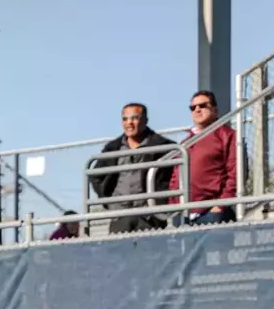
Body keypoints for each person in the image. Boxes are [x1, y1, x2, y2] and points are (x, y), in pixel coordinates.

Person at [91, 103, 175, 233]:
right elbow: (95, 175)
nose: (129, 123)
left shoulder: (164, 147)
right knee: (117, 253)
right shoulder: (113, 148)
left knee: (151, 253)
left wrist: (159, 204)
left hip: (149, 217)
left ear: (145, 120)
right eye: (125, 119)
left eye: (135, 118)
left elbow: (173, 179)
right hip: (119, 218)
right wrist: (109, 203)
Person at [170, 90, 239, 225]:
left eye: (202, 105)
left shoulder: (227, 135)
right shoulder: (185, 142)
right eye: (193, 107)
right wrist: (174, 204)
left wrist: (221, 205)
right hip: (183, 212)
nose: (197, 109)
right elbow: (175, 175)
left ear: (215, 109)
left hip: (212, 212)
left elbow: (235, 172)